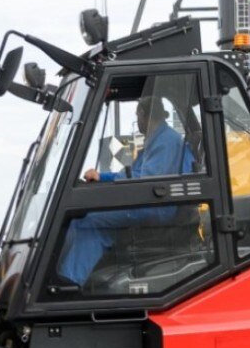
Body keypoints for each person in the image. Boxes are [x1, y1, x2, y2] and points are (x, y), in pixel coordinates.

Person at [54, 86, 201, 289]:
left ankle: (69, 284)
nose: (138, 121)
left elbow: (146, 183)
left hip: (156, 206)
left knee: (88, 220)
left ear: (142, 114)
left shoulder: (166, 142)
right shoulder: (157, 140)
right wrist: (102, 178)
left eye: (137, 115)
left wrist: (109, 191)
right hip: (148, 200)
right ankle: (74, 275)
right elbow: (133, 176)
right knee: (85, 215)